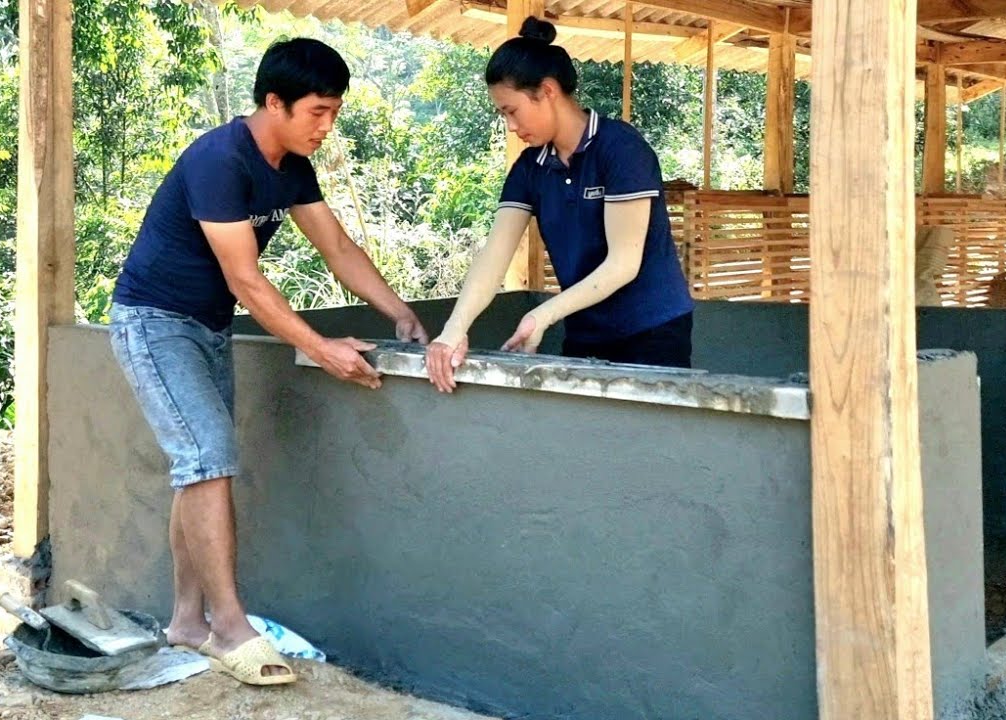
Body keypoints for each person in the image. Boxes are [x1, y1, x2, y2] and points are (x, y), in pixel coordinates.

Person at [107, 38, 428, 685]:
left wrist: (400, 311)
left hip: (206, 328)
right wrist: (320, 348)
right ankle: (230, 626)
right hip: (154, 322)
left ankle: (187, 622)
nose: (327, 126)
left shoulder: (292, 167)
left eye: (335, 112)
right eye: (317, 111)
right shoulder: (220, 161)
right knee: (209, 458)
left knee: (198, 464)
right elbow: (247, 281)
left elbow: (336, 245)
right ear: (273, 102)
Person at [425, 16, 695, 393]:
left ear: (547, 91)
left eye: (511, 110)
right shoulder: (529, 167)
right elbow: (495, 254)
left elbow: (623, 264)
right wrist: (453, 330)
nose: (510, 126)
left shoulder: (621, 149)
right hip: (585, 330)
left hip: (651, 327)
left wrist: (542, 315)